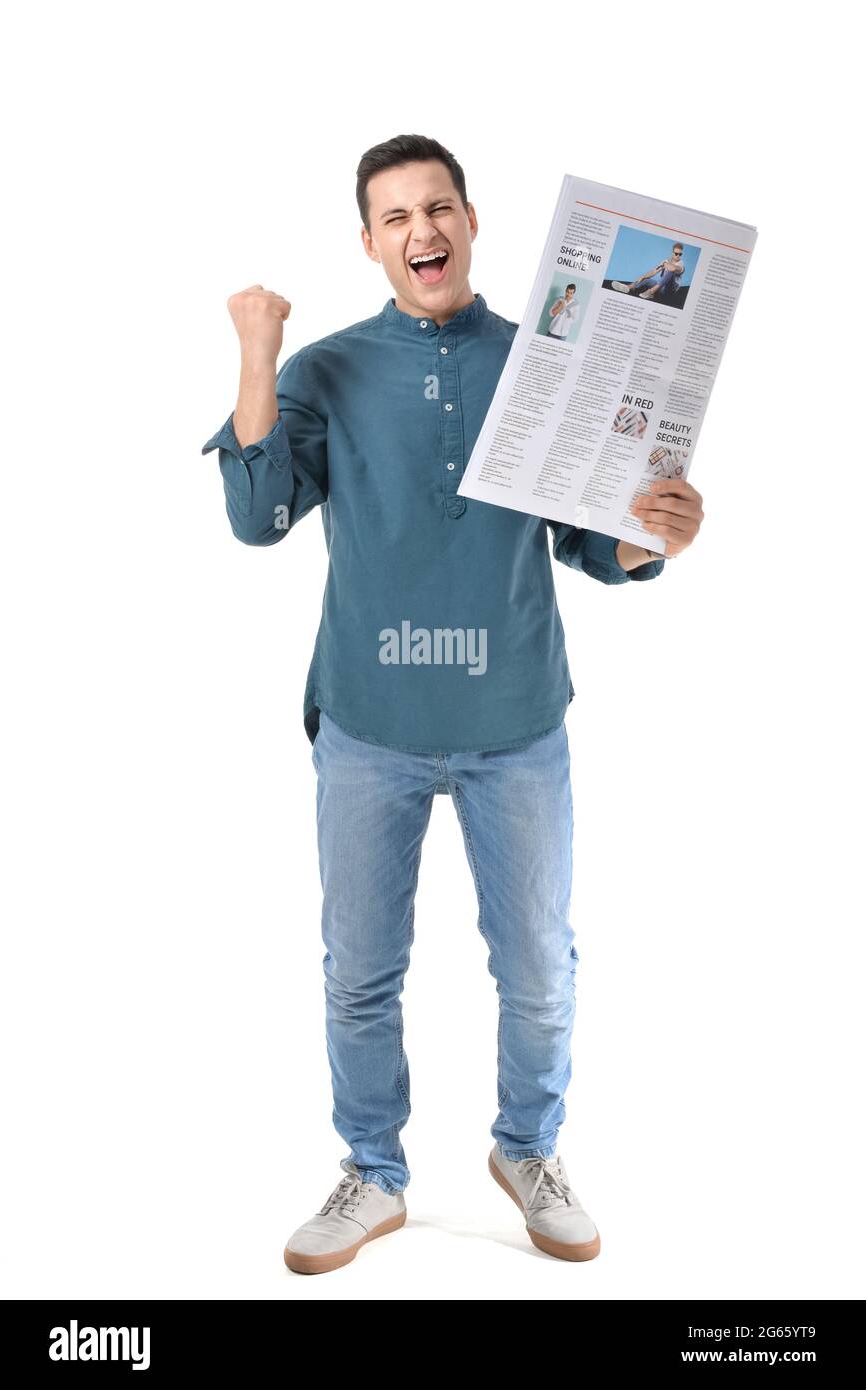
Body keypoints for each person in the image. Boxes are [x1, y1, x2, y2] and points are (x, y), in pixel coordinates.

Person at [201, 134, 704, 1276]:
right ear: (371, 243)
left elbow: (591, 541)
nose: (421, 231)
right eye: (395, 217)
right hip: (369, 724)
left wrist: (649, 534)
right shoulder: (325, 369)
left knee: (537, 963)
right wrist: (257, 354)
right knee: (359, 966)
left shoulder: (546, 369)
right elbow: (255, 517)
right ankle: (372, 1171)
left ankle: (529, 1150)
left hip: (515, 723)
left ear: (473, 222)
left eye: (439, 208)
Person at [612, 242, 685, 300]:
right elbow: (653, 272)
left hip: (670, 290)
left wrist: (665, 264)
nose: (678, 255)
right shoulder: (666, 261)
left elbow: (673, 268)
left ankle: (651, 292)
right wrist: (642, 276)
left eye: (680, 254)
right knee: (646, 280)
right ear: (672, 253)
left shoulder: (681, 264)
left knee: (671, 271)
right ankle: (628, 287)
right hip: (661, 287)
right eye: (676, 253)